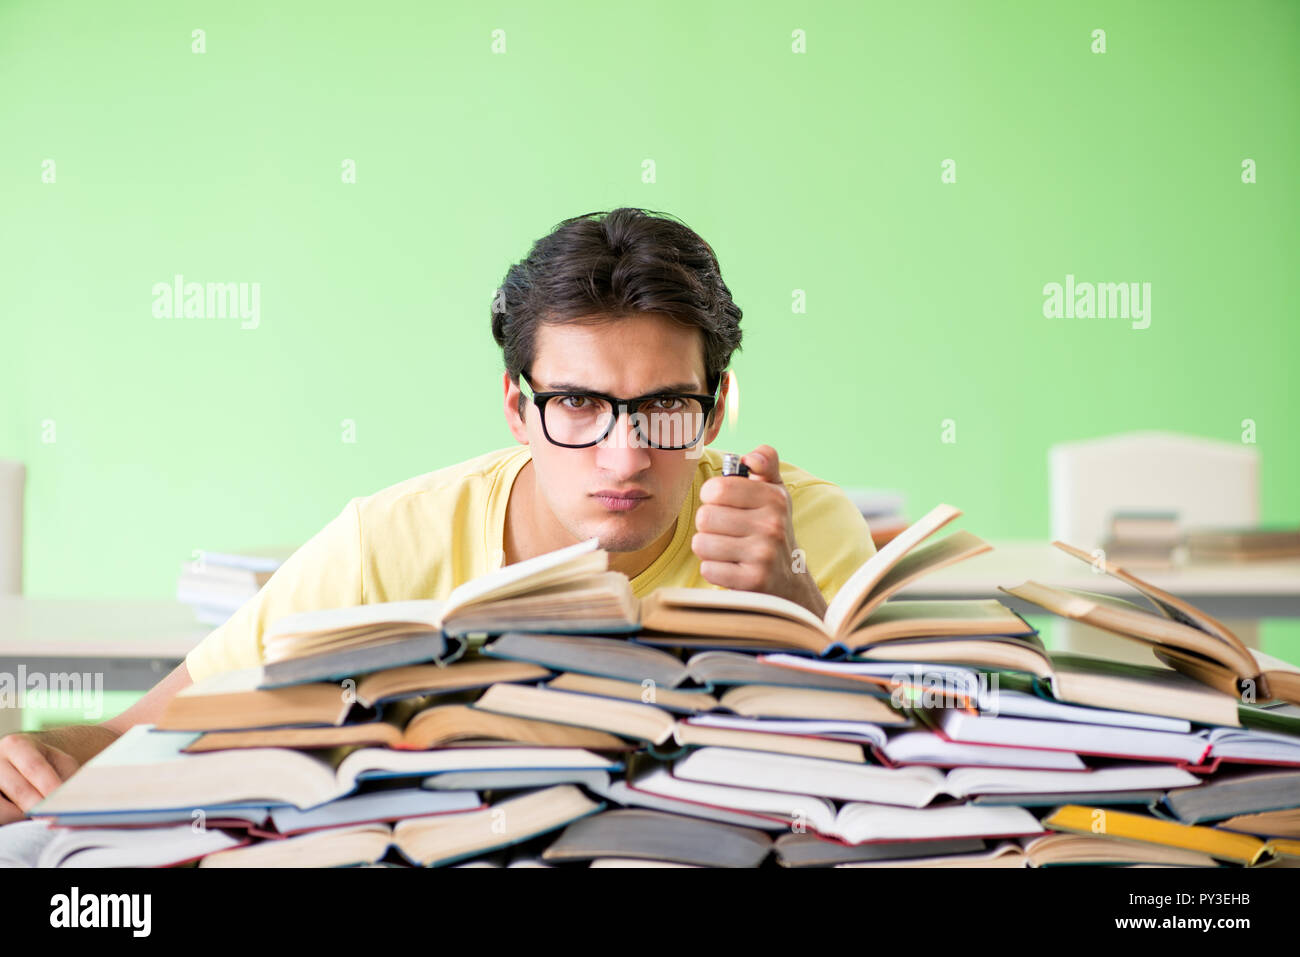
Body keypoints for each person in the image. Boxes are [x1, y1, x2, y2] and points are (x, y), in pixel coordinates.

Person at [0, 207, 876, 825]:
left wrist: (795, 605)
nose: (625, 454)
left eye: (665, 408)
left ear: (717, 408)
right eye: (576, 403)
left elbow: (926, 762)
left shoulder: (794, 526)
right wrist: (40, 756)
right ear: (516, 406)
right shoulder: (393, 538)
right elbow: (140, 728)